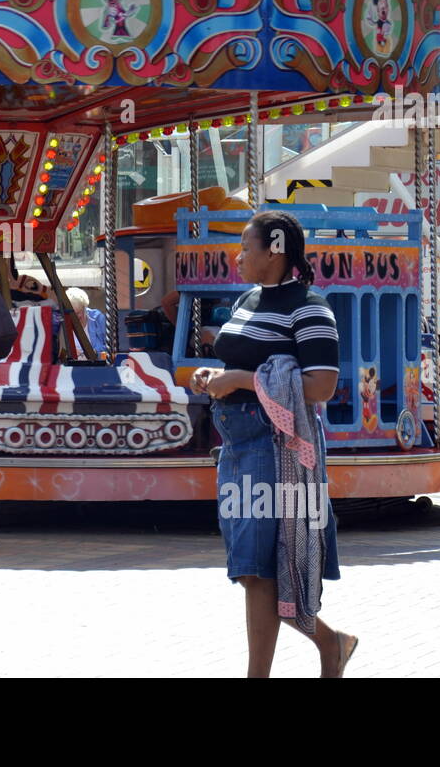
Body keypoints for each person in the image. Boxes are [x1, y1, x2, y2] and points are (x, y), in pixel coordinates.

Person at [189, 210, 355, 678]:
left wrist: (241, 379)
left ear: (275, 250)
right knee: (251, 566)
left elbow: (321, 385)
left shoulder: (310, 307)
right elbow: (242, 357)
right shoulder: (248, 299)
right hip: (238, 445)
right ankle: (332, 642)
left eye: (247, 246)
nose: (238, 255)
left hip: (275, 446)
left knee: (260, 568)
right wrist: (215, 376)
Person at [65, 287, 106, 356]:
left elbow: (110, 346)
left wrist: (94, 352)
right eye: (73, 314)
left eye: (78, 312)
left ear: (84, 307)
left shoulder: (97, 318)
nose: (77, 317)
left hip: (96, 363)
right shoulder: (66, 321)